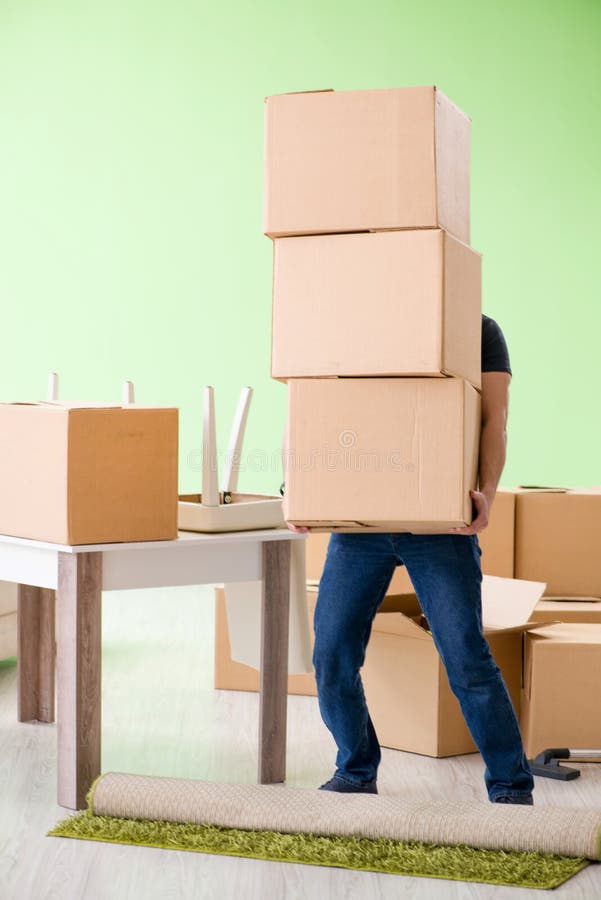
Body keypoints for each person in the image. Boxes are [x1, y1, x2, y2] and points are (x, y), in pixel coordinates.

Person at [282, 314, 535, 804]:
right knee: (331, 654)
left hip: (439, 526)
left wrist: (486, 492)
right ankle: (355, 771)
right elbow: (317, 409)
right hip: (362, 526)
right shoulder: (352, 327)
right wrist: (302, 490)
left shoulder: (476, 330)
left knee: (465, 657)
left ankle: (510, 787)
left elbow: (493, 418)